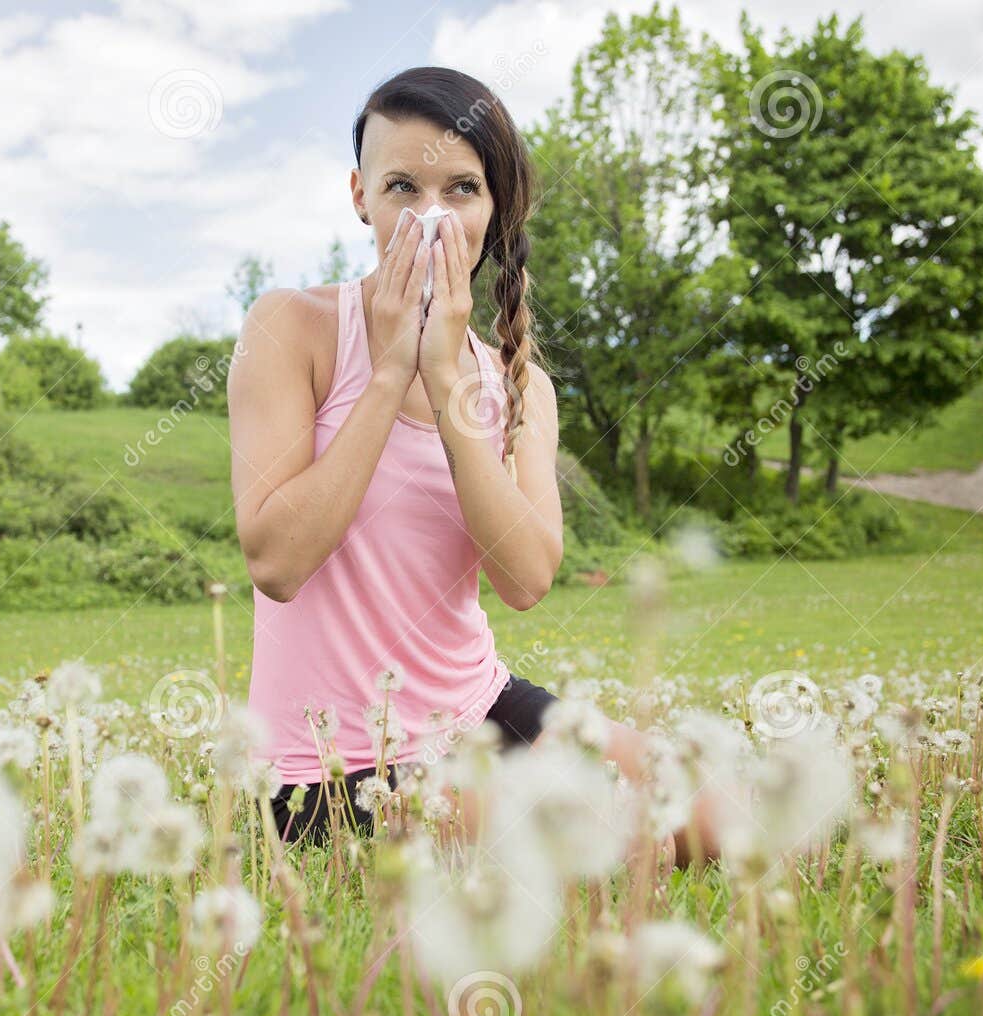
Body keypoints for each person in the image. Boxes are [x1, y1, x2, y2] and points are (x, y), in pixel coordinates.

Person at [227, 65, 714, 861]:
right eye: (400, 187)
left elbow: (525, 579)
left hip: (481, 710)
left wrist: (448, 378)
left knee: (715, 811)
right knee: (600, 837)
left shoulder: (523, 386)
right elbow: (276, 560)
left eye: (460, 189)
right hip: (334, 768)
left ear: (495, 208)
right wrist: (390, 373)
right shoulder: (289, 326)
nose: (429, 217)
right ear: (359, 196)